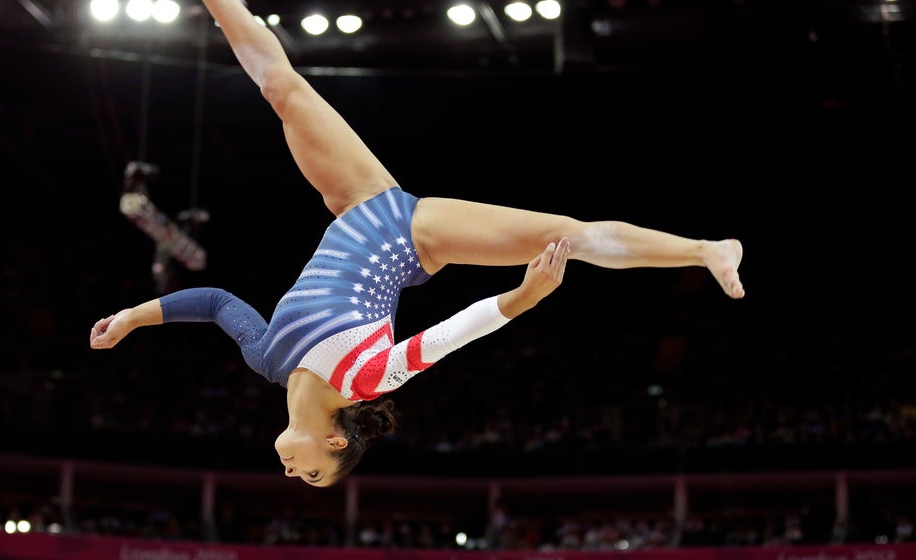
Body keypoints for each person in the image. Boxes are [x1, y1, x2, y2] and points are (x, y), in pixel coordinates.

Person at [90, 0, 745, 488]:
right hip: (409, 235)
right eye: (316, 475)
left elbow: (211, 301)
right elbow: (458, 332)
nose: (296, 475)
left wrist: (131, 319)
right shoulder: (366, 381)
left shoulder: (268, 359)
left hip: (354, 203)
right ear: (332, 441)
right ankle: (705, 249)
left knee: (283, 91)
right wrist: (524, 295)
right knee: (566, 237)